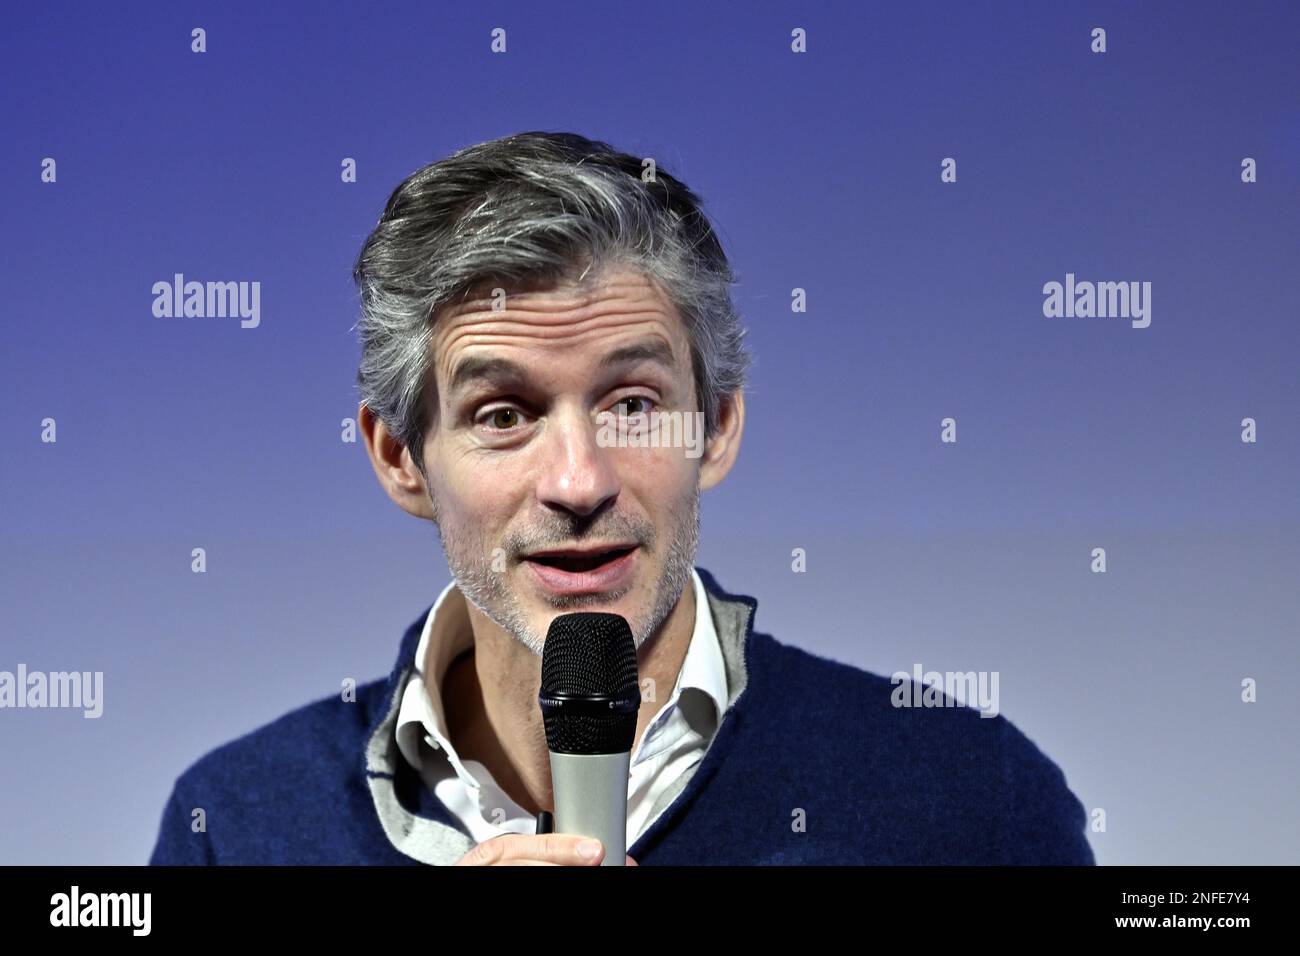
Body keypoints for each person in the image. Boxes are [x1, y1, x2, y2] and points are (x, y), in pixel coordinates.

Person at [148, 131, 1094, 866]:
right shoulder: (232, 824)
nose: (578, 482)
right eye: (504, 413)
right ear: (401, 457)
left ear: (716, 427)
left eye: (633, 404)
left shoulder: (973, 798)